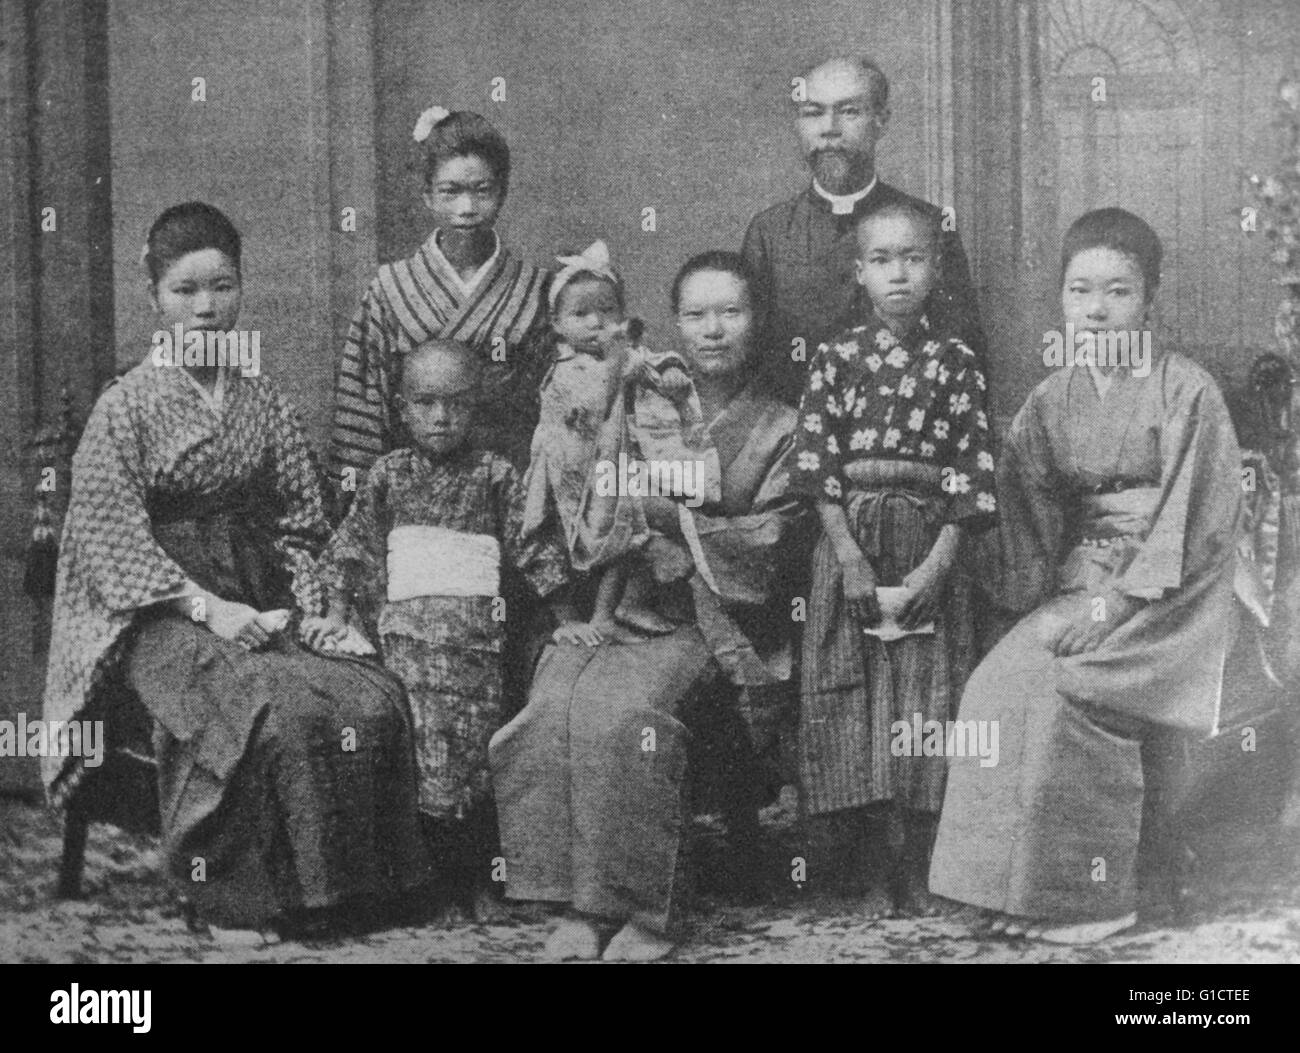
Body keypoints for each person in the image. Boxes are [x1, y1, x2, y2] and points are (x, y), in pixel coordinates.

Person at [43, 202, 429, 942]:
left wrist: (315, 607)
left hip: (259, 595)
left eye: (222, 287)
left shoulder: (262, 400)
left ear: (241, 289)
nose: (207, 308)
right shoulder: (123, 409)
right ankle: (232, 897)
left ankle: (342, 891)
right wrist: (205, 609)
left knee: (366, 694)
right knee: (259, 709)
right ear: (154, 296)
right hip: (154, 615)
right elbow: (108, 539)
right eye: (186, 291)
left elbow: (301, 521)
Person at [929, 208, 1242, 943]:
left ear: (1149, 300)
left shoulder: (1187, 390)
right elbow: (1020, 516)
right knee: (995, 686)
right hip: (1079, 585)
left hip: (1168, 594)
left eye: (1118, 290)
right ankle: (1011, 887)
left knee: (1073, 690)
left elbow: (1194, 529)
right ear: (1061, 301)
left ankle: (1096, 899)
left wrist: (1105, 606)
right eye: (1079, 291)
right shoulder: (1050, 397)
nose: (1096, 309)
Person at [490, 251, 809, 961]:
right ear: (673, 322)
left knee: (625, 720)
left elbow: (769, 540)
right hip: (617, 601)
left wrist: (655, 513)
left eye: (733, 311)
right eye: (695, 314)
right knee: (549, 705)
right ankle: (574, 902)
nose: (714, 329)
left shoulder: (783, 424)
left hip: (708, 615)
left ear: (759, 321)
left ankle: (642, 910)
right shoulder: (642, 393)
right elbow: (583, 494)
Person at [304, 338, 573, 922]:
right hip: (406, 651)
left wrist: (569, 619)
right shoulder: (388, 476)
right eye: (425, 403)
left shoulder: (495, 474)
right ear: (401, 408)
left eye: (456, 403)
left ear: (477, 406)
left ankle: (482, 882)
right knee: (416, 763)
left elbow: (533, 548)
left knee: (481, 762)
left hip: (478, 648)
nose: (441, 416)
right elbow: (352, 552)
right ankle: (429, 889)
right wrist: (337, 612)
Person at [790, 201, 996, 917]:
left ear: (936, 268)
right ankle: (871, 866)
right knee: (857, 702)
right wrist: (845, 552)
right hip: (854, 540)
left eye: (913, 258)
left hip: (929, 539)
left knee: (926, 698)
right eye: (882, 260)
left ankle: (923, 866)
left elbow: (972, 473)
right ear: (860, 272)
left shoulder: (957, 363)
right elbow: (816, 466)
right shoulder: (837, 358)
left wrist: (940, 564)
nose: (898, 273)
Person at [742, 56, 984, 406]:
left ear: (881, 120)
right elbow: (750, 363)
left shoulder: (930, 226)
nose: (829, 128)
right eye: (813, 113)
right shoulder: (770, 232)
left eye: (849, 111)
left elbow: (965, 357)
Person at [330, 107, 549, 489]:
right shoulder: (390, 289)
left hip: (510, 485)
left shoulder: (535, 289)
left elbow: (557, 411)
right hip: (410, 488)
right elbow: (361, 411)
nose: (467, 208)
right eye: (451, 192)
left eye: (482, 190)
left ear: (502, 192)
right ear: (427, 196)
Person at [521, 239, 718, 643]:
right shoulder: (563, 370)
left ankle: (618, 608)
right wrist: (616, 365)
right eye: (581, 313)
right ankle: (578, 617)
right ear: (557, 323)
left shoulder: (624, 354)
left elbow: (652, 368)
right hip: (572, 476)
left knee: (636, 524)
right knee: (577, 534)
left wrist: (670, 378)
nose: (597, 322)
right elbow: (589, 410)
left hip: (618, 464)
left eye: (607, 311)